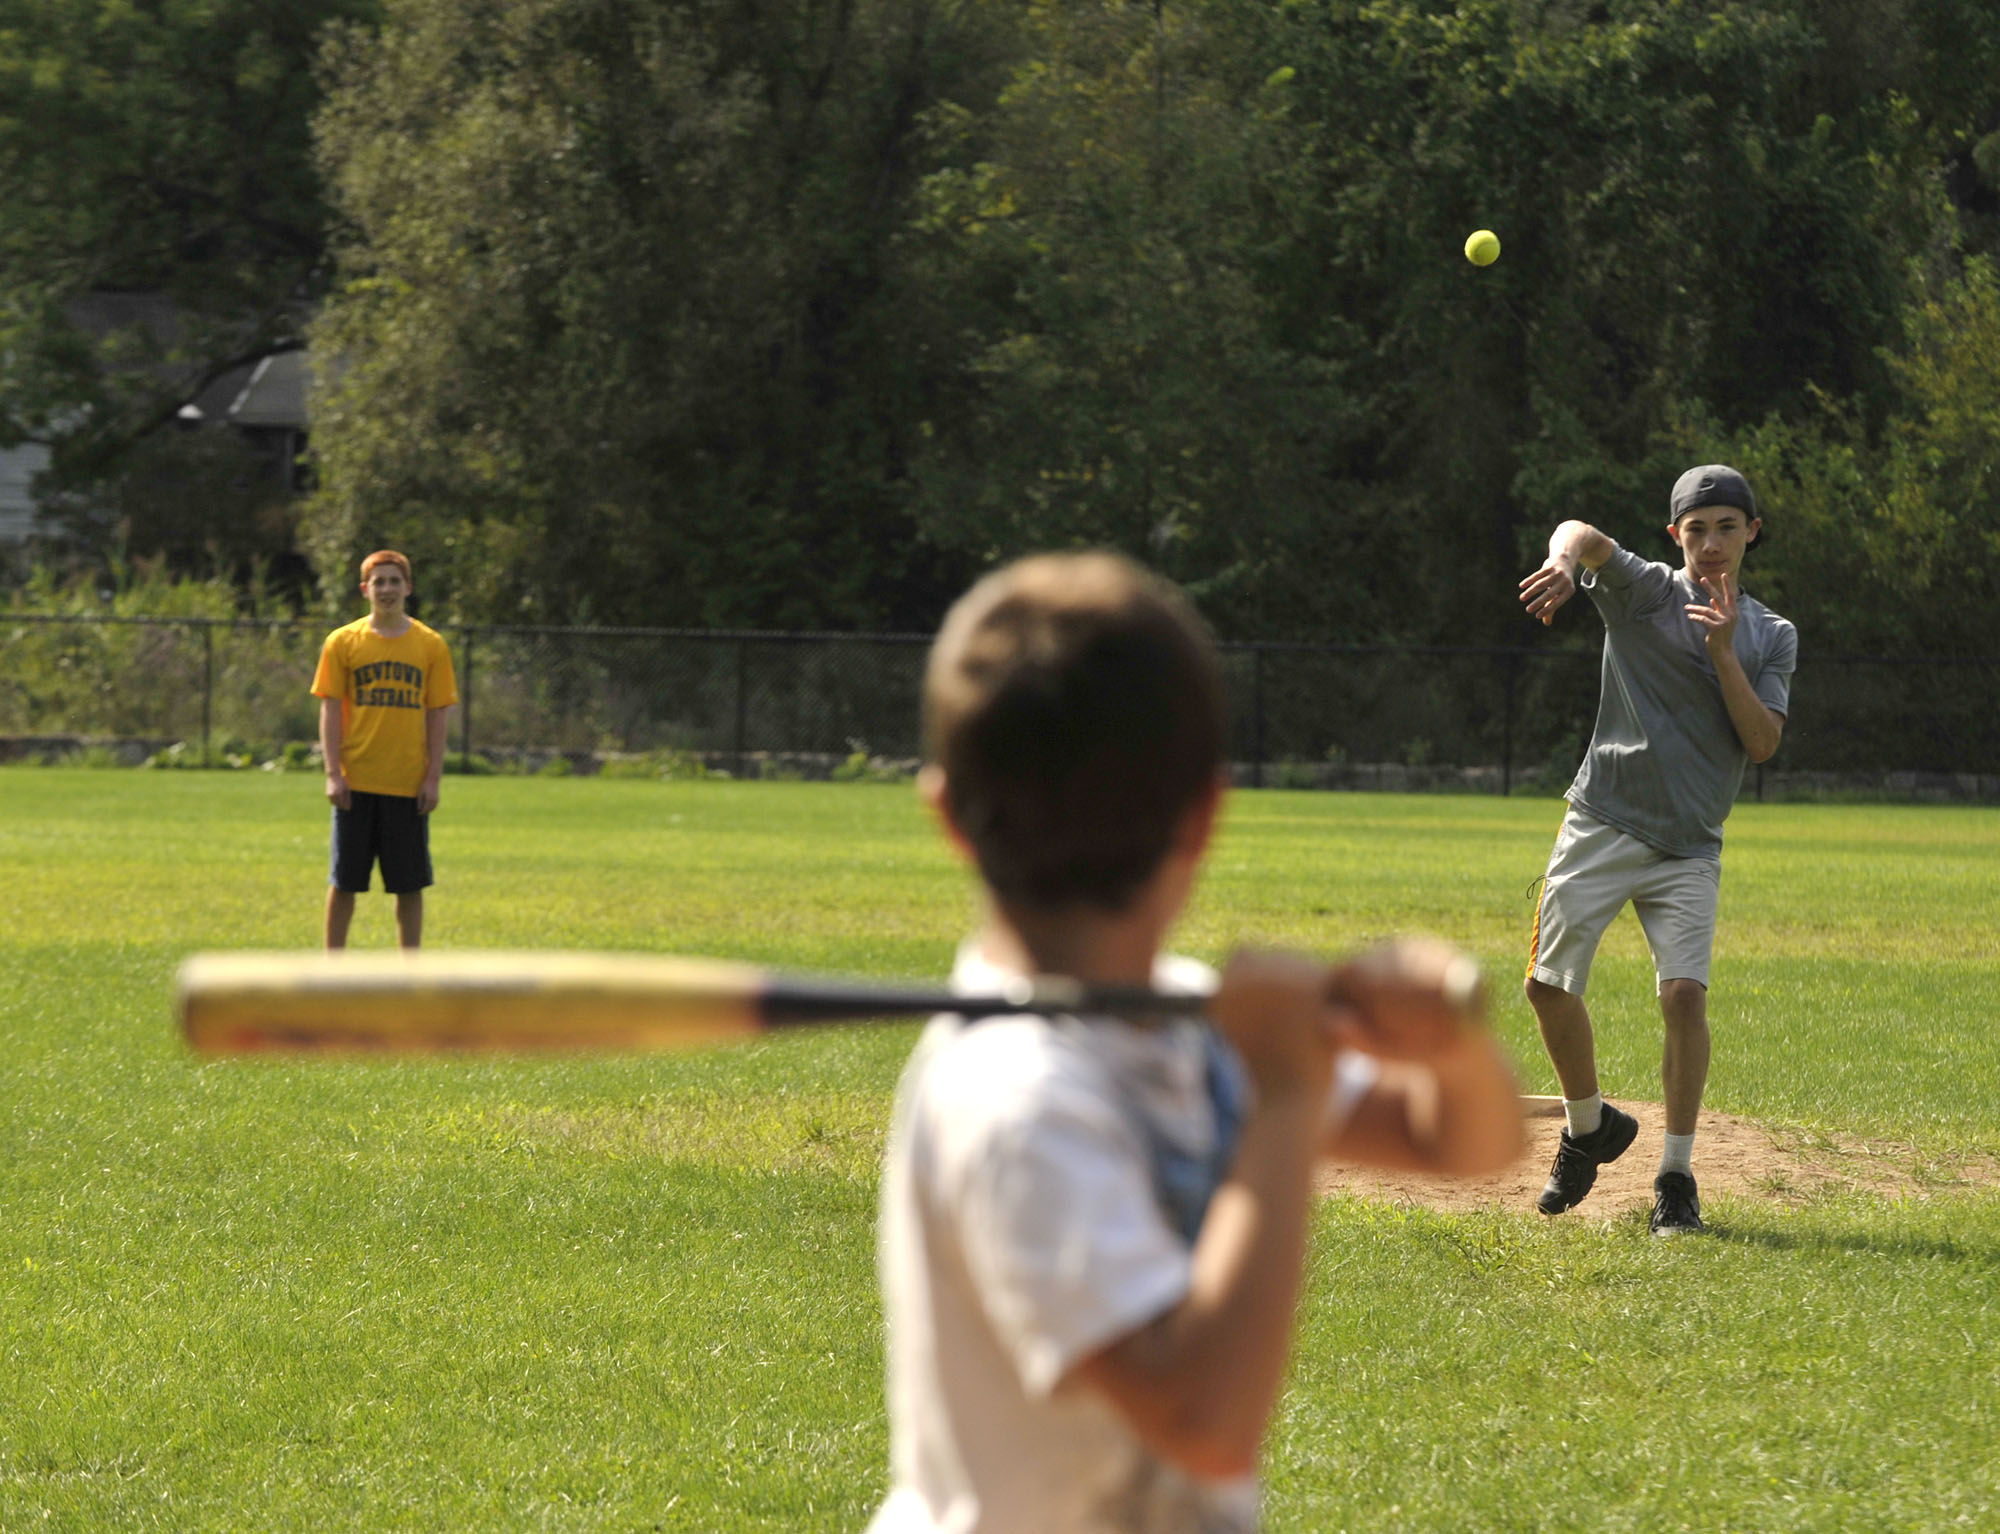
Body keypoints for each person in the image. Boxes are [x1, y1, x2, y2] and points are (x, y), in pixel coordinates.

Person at [869, 551, 1521, 1533]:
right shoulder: (1011, 1098)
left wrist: (1447, 1046)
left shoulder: (1190, 1025)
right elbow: (1201, 1420)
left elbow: (1465, 1143)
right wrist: (1284, 1094)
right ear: (1205, 815)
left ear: (947, 815)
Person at [1517, 465, 1797, 1235]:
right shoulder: (1646, 592)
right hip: (1603, 819)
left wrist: (1724, 653)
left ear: (1751, 534)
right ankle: (1588, 1127)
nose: (1711, 543)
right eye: (1696, 529)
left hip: (1689, 847)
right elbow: (1582, 532)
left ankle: (1675, 1178)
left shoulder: (1772, 635)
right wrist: (1563, 563)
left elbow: (1762, 743)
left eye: (1727, 527)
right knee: (1546, 986)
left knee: (1683, 998)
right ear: (1676, 536)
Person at [311, 549, 458, 949]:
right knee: (344, 883)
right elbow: (330, 709)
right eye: (379, 582)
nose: (387, 589)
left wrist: (432, 778)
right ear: (365, 589)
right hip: (355, 783)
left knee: (408, 886)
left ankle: (410, 971)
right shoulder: (343, 642)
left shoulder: (430, 645)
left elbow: (437, 714)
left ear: (408, 587)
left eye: (395, 581)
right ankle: (332, 968)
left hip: (407, 784)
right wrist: (333, 774)